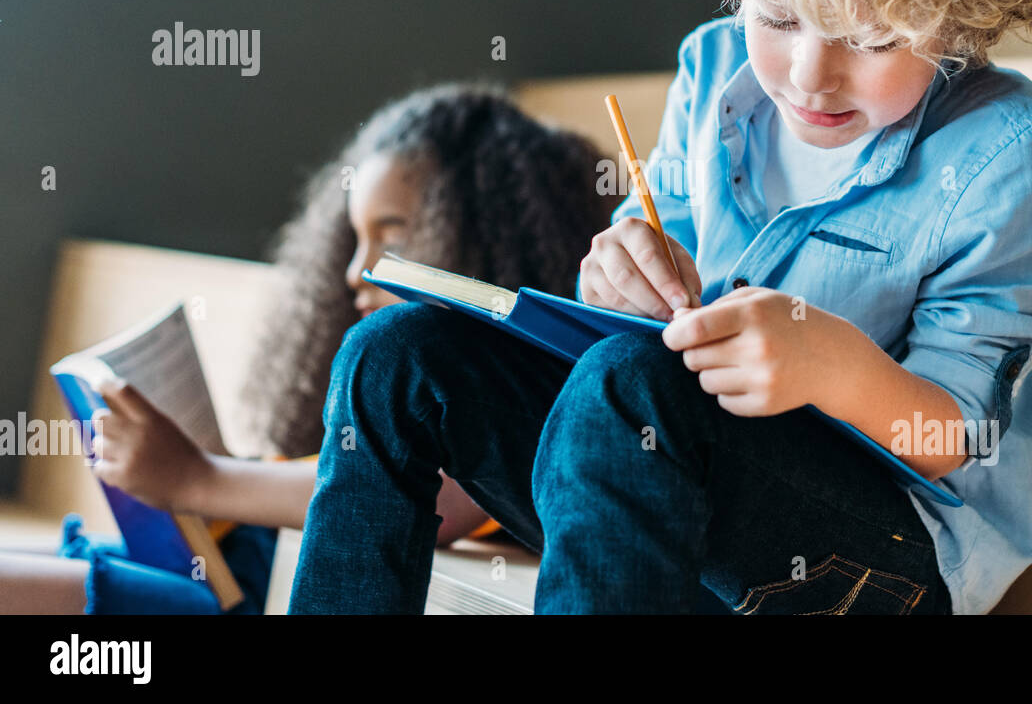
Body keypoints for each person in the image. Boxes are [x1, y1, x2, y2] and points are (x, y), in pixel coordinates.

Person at [288, 0, 1032, 615]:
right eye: (777, 17)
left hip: (884, 561)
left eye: (869, 38)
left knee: (628, 383)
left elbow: (957, 432)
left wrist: (832, 365)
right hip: (668, 479)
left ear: (962, 10)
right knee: (395, 354)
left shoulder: (1012, 150)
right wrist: (620, 267)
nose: (809, 75)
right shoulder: (711, 74)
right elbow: (645, 257)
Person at [0, 84, 617, 614]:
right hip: (228, 569)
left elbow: (442, 497)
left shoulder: (506, 418)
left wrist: (196, 477)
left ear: (485, 241)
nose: (357, 271)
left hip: (245, 595)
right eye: (354, 239)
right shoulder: (383, 389)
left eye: (392, 236)